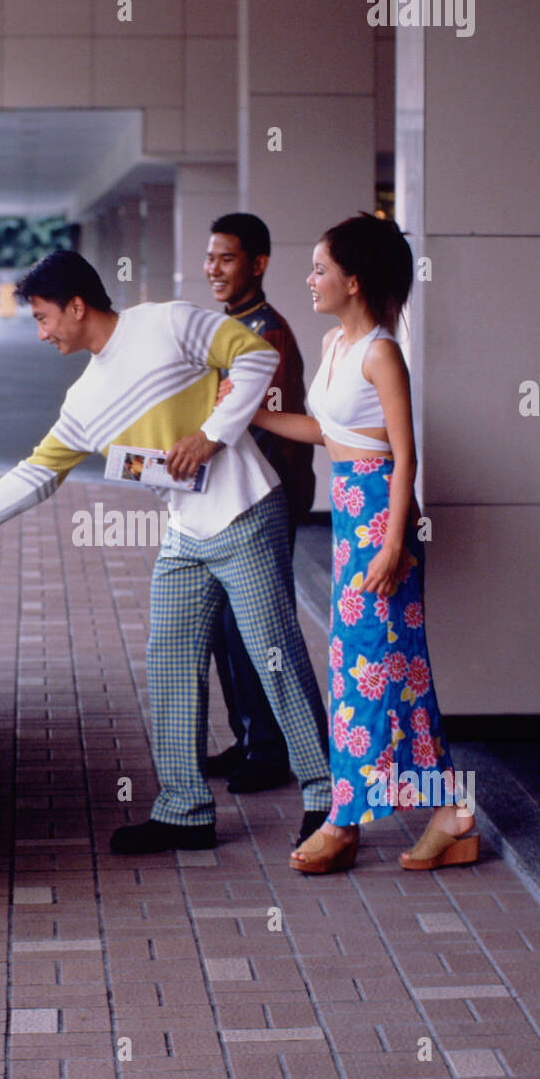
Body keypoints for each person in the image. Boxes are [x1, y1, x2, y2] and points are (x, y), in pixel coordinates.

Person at [0, 249, 332, 854]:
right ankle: (185, 810)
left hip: (245, 511)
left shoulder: (168, 322)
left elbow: (258, 355)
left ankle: (325, 798)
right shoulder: (82, 401)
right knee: (170, 667)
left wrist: (212, 436)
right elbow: (37, 473)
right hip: (185, 531)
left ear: (78, 306)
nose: (41, 331)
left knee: (275, 656)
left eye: (45, 317)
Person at [241, 213, 477, 873]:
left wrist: (395, 542)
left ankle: (348, 822)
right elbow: (326, 430)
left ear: (355, 278)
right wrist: (252, 414)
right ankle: (449, 813)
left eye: (320, 269)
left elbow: (406, 457)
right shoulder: (335, 344)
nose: (310, 279)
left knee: (376, 677)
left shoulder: (380, 350)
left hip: (381, 522)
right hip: (349, 519)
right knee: (375, 673)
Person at [204, 214, 317, 819]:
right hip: (231, 500)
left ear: (259, 264)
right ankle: (251, 738)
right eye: (210, 257)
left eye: (226, 258)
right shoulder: (233, 326)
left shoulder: (265, 332)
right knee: (228, 626)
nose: (213, 269)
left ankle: (274, 749)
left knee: (258, 631)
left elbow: (262, 428)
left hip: (259, 501)